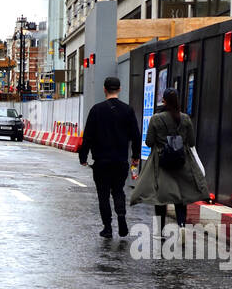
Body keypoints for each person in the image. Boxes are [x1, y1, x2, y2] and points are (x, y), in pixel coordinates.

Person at [131, 88, 209, 237]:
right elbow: (191, 141)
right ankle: (181, 226)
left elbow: (149, 142)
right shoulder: (185, 118)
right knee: (181, 196)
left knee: (161, 197)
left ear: (164, 101)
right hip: (182, 162)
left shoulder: (156, 118)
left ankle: (159, 231)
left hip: (161, 162)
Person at [79, 75, 142, 238]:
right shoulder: (127, 110)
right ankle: (121, 218)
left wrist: (83, 157)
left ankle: (107, 227)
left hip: (101, 161)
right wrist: (135, 156)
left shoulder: (96, 110)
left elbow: (88, 136)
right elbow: (136, 135)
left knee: (103, 194)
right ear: (119, 89)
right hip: (120, 161)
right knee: (118, 191)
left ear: (104, 89)